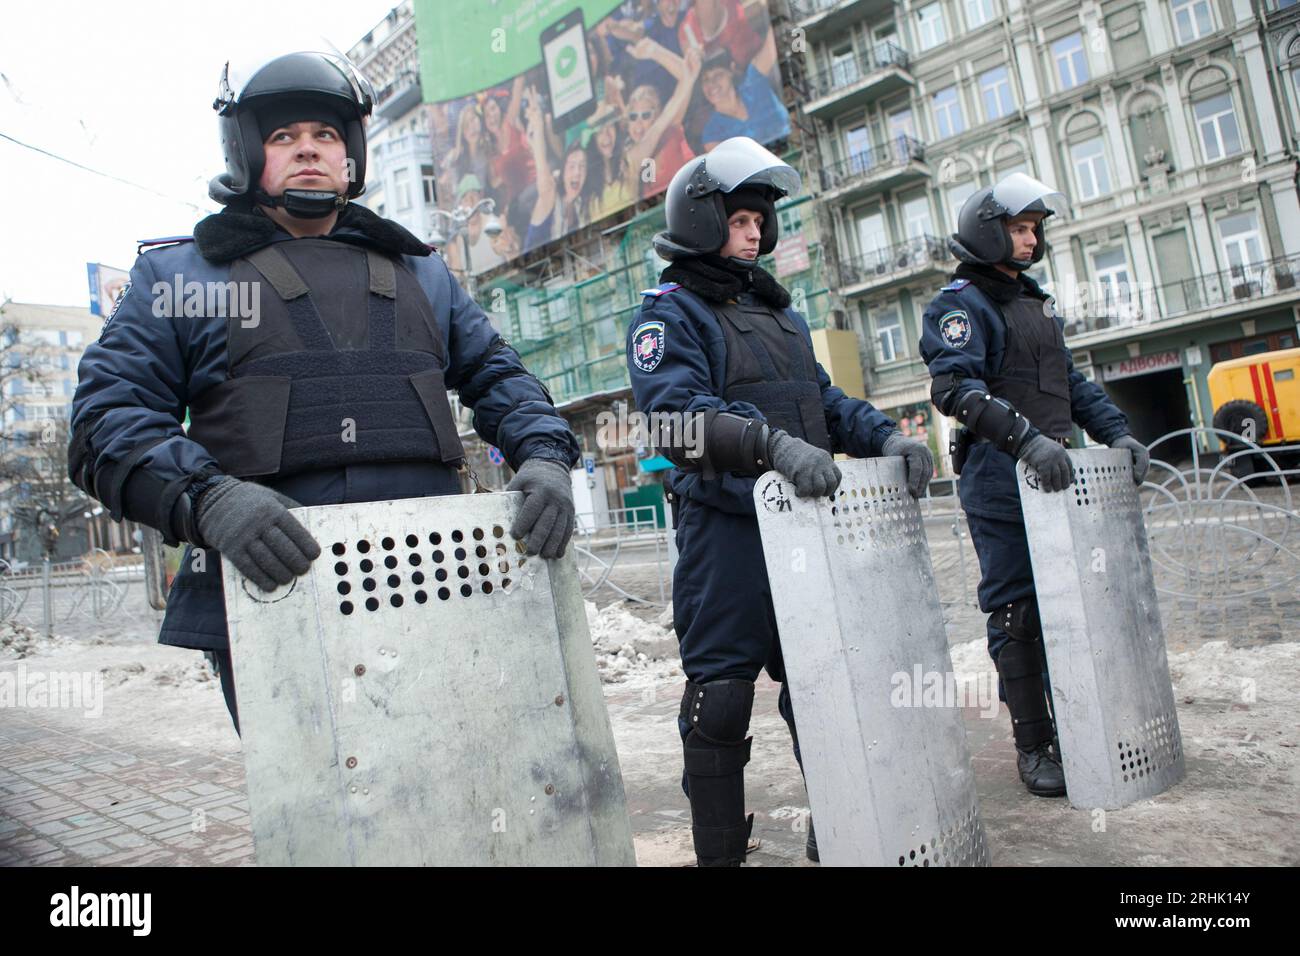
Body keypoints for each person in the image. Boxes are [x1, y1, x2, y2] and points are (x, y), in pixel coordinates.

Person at [68, 52, 580, 734]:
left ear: (351, 156)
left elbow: (500, 376)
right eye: (283, 136)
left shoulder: (422, 274)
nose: (308, 146)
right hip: (276, 591)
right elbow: (107, 420)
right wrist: (207, 499)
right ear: (248, 153)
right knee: (322, 826)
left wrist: (544, 454)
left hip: (435, 582)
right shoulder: (184, 276)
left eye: (327, 134)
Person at [627, 137, 933, 866]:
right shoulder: (669, 313)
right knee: (721, 702)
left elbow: (820, 401)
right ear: (702, 222)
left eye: (762, 219)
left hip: (806, 534)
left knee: (828, 688)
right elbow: (674, 418)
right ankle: (721, 853)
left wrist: (886, 437)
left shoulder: (781, 315)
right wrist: (770, 448)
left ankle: (844, 828)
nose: (756, 231)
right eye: (740, 219)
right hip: (727, 536)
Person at [918, 172, 1151, 797]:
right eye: (1018, 229)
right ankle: (1034, 744)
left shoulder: (1036, 303)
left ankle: (1080, 726)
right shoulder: (960, 304)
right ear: (989, 233)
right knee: (1020, 615)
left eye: (1033, 230)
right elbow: (955, 391)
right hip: (1001, 481)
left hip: (1059, 478)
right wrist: (1026, 441)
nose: (1028, 240)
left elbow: (1070, 384)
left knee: (1075, 610)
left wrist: (1117, 432)